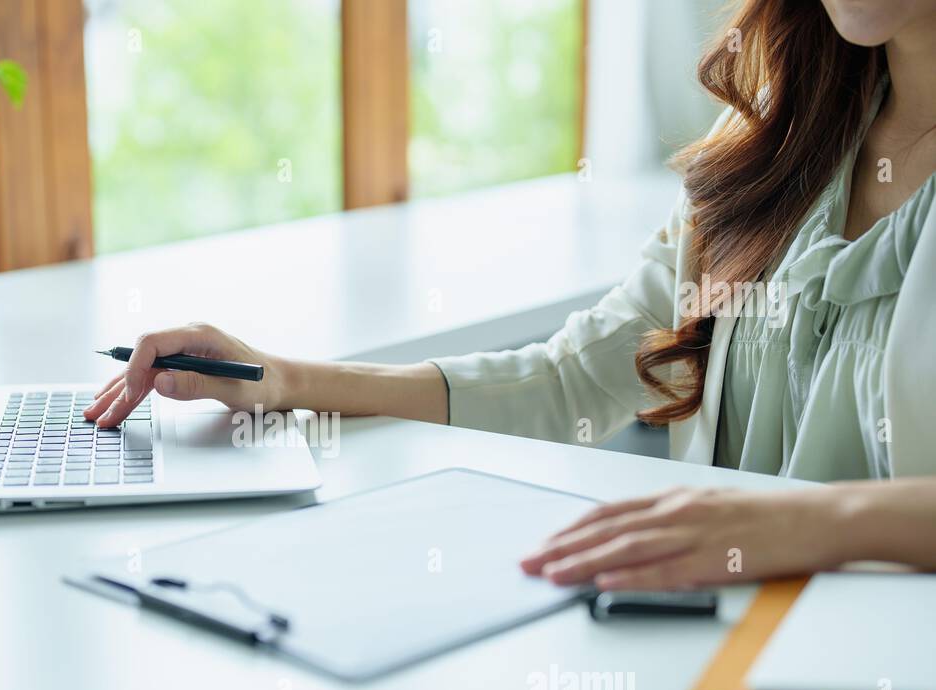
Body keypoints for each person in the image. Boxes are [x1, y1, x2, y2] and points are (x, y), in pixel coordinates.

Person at [87, 0, 936, 590]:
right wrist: (285, 381)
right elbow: (570, 379)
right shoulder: (780, 138)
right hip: (730, 651)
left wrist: (812, 526)